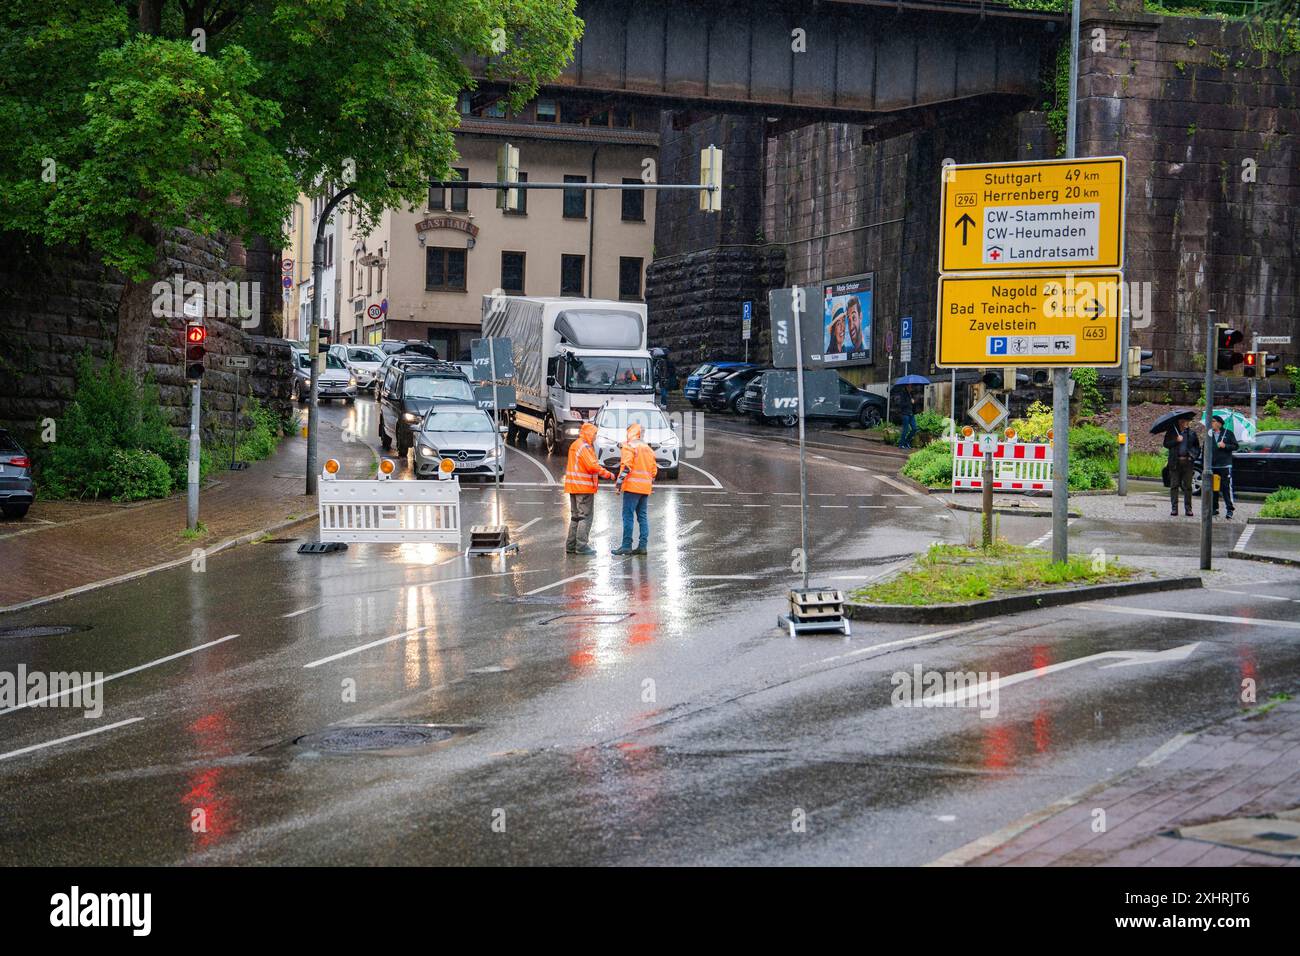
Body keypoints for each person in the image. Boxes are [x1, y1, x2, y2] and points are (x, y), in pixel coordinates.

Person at [563, 421, 614, 555]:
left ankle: (571, 545)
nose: (595, 437)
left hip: (573, 486)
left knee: (575, 517)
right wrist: (608, 474)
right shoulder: (584, 447)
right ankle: (581, 546)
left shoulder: (575, 445)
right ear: (589, 433)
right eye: (595, 434)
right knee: (585, 517)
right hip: (583, 487)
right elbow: (592, 466)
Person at [612, 422, 657, 556]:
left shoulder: (629, 446)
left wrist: (618, 484)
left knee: (628, 516)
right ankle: (642, 547)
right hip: (645, 489)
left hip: (632, 488)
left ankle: (626, 546)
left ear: (630, 433)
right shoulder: (648, 449)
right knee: (642, 517)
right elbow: (654, 471)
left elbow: (626, 467)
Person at [1163, 413, 1201, 517]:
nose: (1187, 423)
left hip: (1188, 463)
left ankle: (1188, 509)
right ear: (1180, 422)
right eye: (1185, 421)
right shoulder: (1171, 433)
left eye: (1188, 421)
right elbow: (1166, 444)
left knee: (1188, 487)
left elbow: (1197, 447)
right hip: (1175, 462)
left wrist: (1193, 456)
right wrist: (1176, 440)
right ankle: (1174, 508)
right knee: (1174, 486)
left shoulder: (1192, 433)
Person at [1208, 414, 1237, 519]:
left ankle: (1230, 509)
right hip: (1213, 465)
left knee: (1225, 488)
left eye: (1213, 421)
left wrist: (1225, 446)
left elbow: (1235, 446)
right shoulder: (1209, 434)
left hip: (1225, 465)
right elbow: (1205, 448)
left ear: (1219, 423)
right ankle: (1215, 508)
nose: (1211, 423)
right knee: (1214, 488)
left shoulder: (1228, 434)